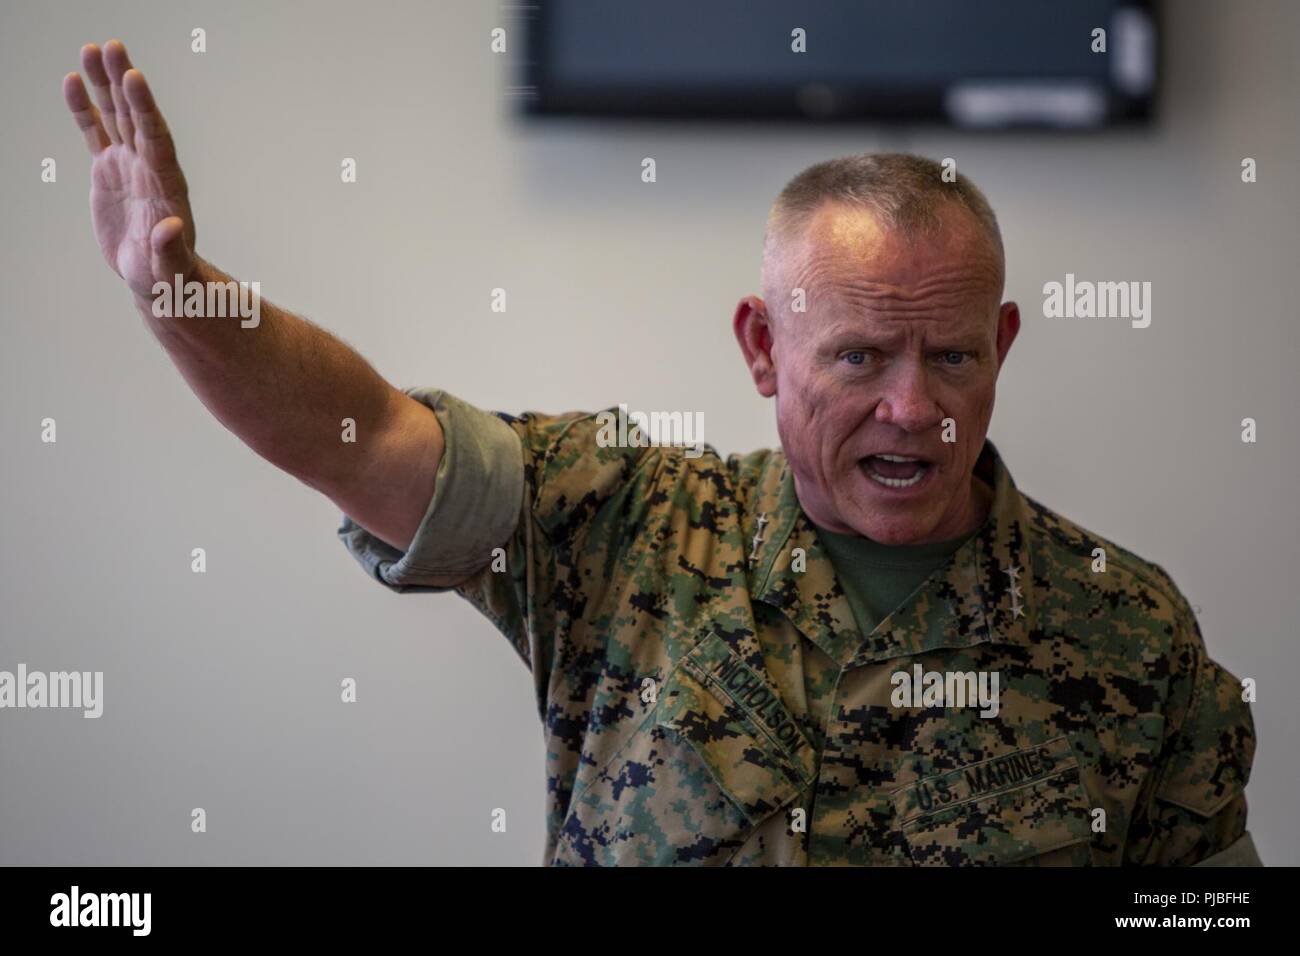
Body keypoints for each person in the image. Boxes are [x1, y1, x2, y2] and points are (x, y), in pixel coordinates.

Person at [63, 39, 1260, 866]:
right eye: (857, 360)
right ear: (761, 348)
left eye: (950, 358)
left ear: (1001, 345)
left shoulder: (1127, 630)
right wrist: (181, 295)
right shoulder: (623, 522)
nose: (912, 408)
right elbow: (366, 434)